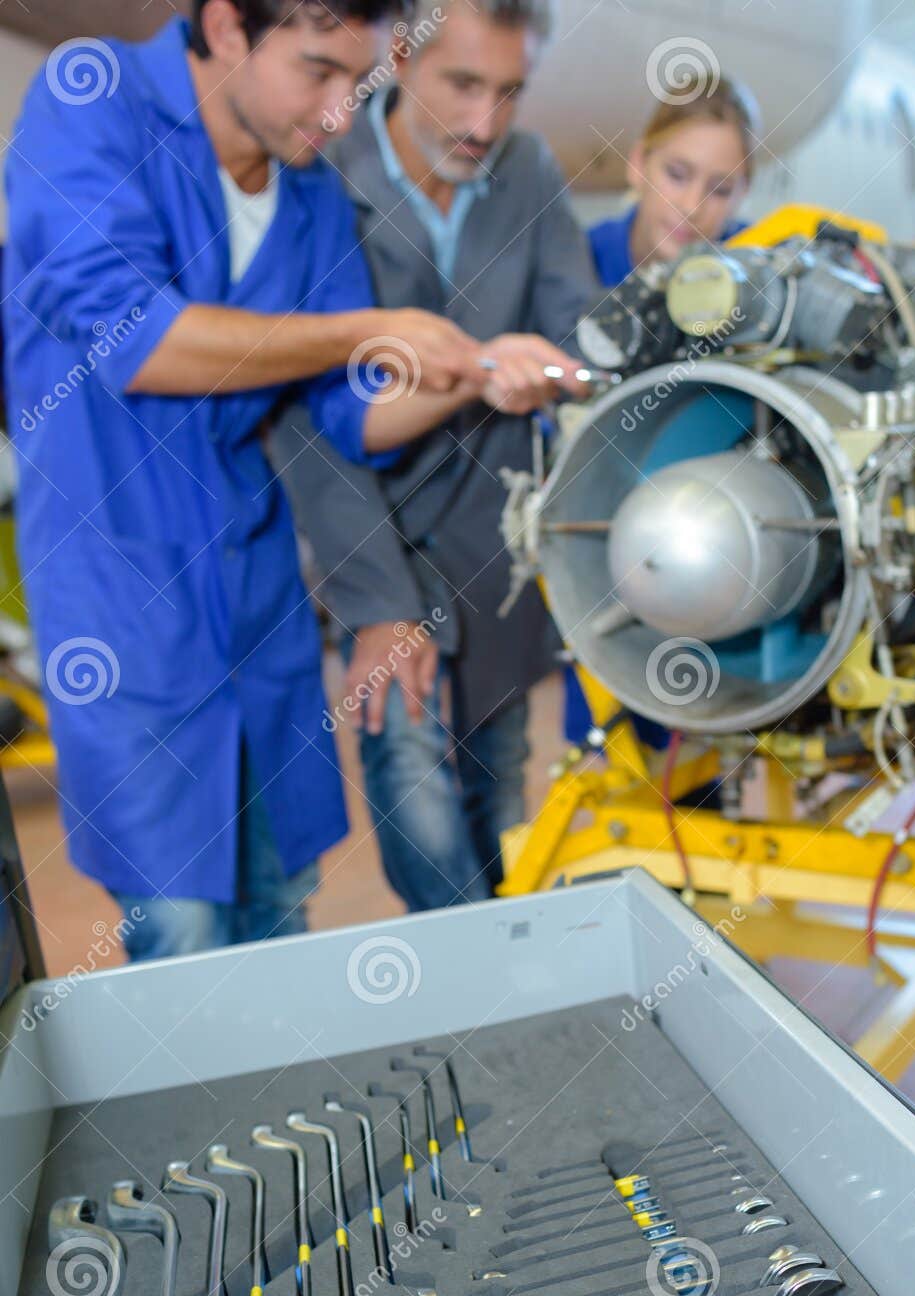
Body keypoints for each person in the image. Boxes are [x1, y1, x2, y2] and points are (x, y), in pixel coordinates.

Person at [3, 0, 566, 961]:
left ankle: (272, 1117)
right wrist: (364, 332)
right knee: (179, 920)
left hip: (257, 591)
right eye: (318, 72)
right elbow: (134, 338)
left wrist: (471, 371)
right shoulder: (92, 101)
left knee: (277, 909)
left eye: (362, 82)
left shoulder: (306, 193)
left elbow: (350, 413)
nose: (343, 113)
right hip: (122, 591)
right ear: (226, 27)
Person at [277, 0, 597, 913]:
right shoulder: (323, 177)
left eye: (509, 92)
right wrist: (378, 607)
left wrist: (560, 368)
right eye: (464, 85)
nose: (484, 124)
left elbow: (581, 340)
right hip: (370, 533)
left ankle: (497, 991)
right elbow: (309, 423)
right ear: (402, 55)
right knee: (412, 786)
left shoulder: (528, 170)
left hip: (489, 540)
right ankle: (488, 992)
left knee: (496, 783)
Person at [567, 73, 761, 746]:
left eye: (720, 189)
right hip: (596, 539)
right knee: (604, 726)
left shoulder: (755, 280)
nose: (692, 207)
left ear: (743, 197)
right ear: (637, 164)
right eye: (677, 174)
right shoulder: (576, 268)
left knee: (718, 741)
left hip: (716, 536)